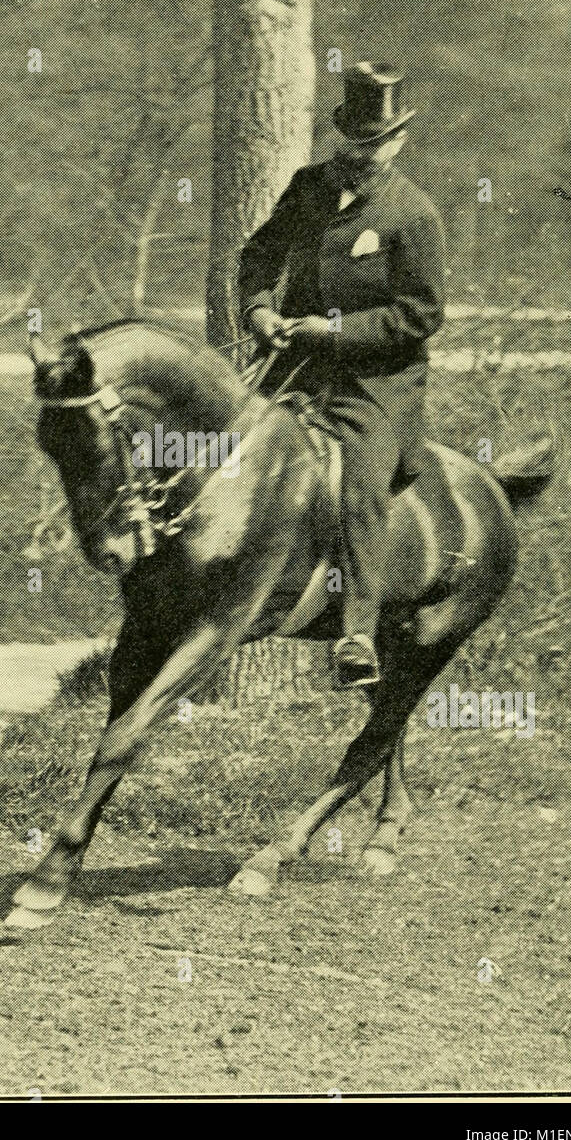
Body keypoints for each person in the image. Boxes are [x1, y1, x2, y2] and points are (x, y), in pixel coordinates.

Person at [238, 62, 447, 686]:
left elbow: (421, 313)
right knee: (222, 444)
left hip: (376, 382)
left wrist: (335, 330)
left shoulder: (414, 215)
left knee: (360, 478)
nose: (364, 155)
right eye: (354, 143)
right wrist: (260, 310)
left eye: (377, 144)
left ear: (399, 141)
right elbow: (259, 254)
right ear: (340, 138)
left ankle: (356, 632)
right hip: (293, 362)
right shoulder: (308, 188)